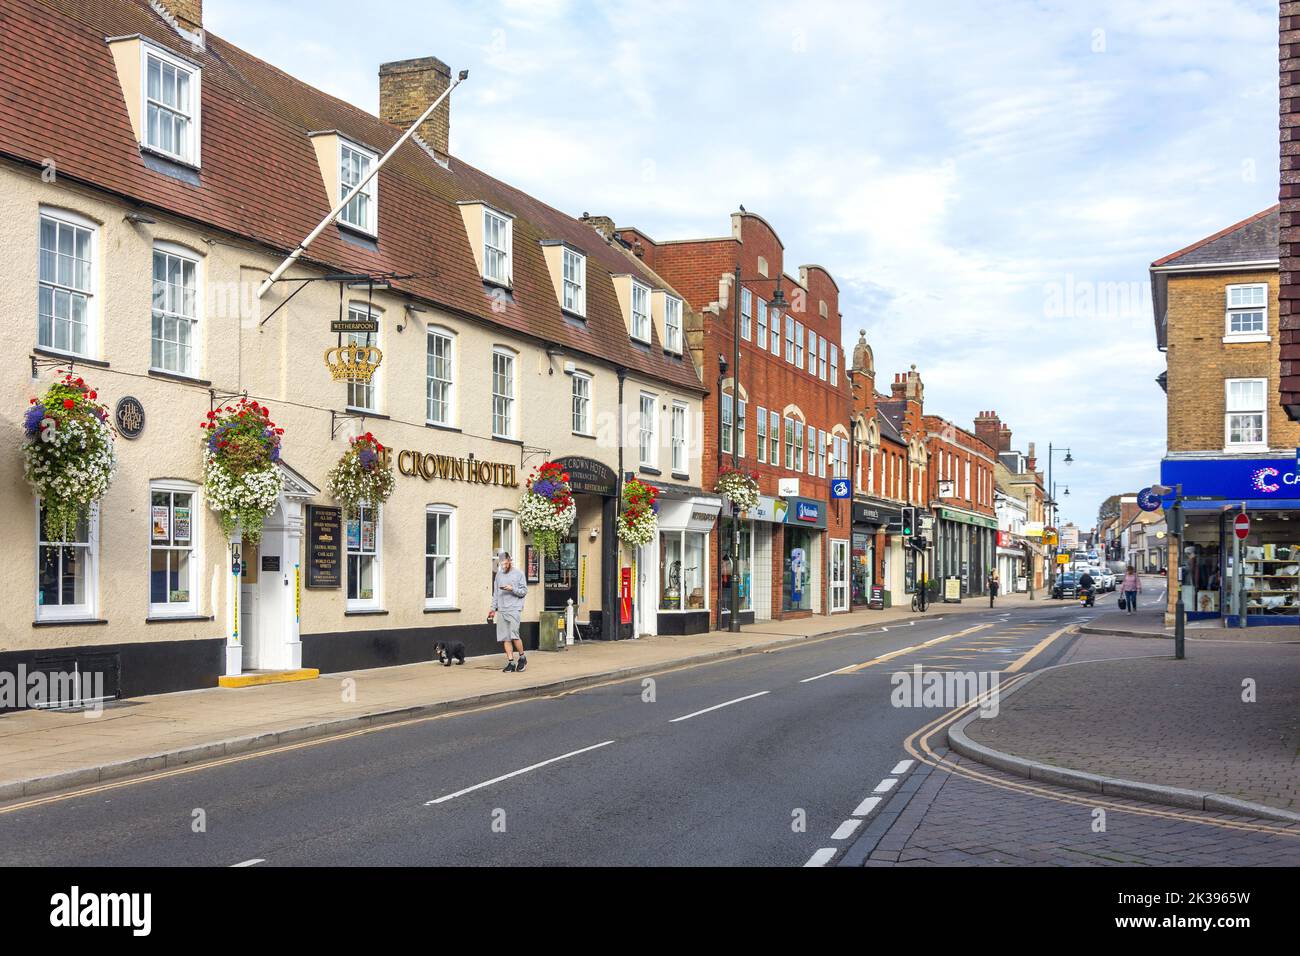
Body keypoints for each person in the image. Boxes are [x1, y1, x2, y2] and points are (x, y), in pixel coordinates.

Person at [488, 551, 529, 672]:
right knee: (505, 638)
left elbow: (524, 591)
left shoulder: (519, 574)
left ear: (510, 561)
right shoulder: (499, 575)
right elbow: (496, 593)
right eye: (501, 564)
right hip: (502, 609)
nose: (503, 566)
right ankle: (511, 662)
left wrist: (512, 589)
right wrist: (492, 609)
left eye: (505, 564)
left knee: (514, 636)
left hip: (514, 608)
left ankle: (522, 658)